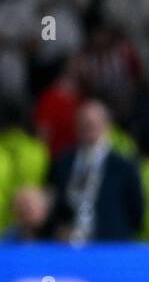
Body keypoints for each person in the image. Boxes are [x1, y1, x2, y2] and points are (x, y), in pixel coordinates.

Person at [42, 99, 142, 243]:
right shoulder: (62, 162)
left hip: (109, 247)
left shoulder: (124, 166)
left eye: (94, 123)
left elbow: (136, 212)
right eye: (84, 123)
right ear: (76, 126)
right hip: (67, 247)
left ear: (107, 126)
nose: (89, 127)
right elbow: (51, 203)